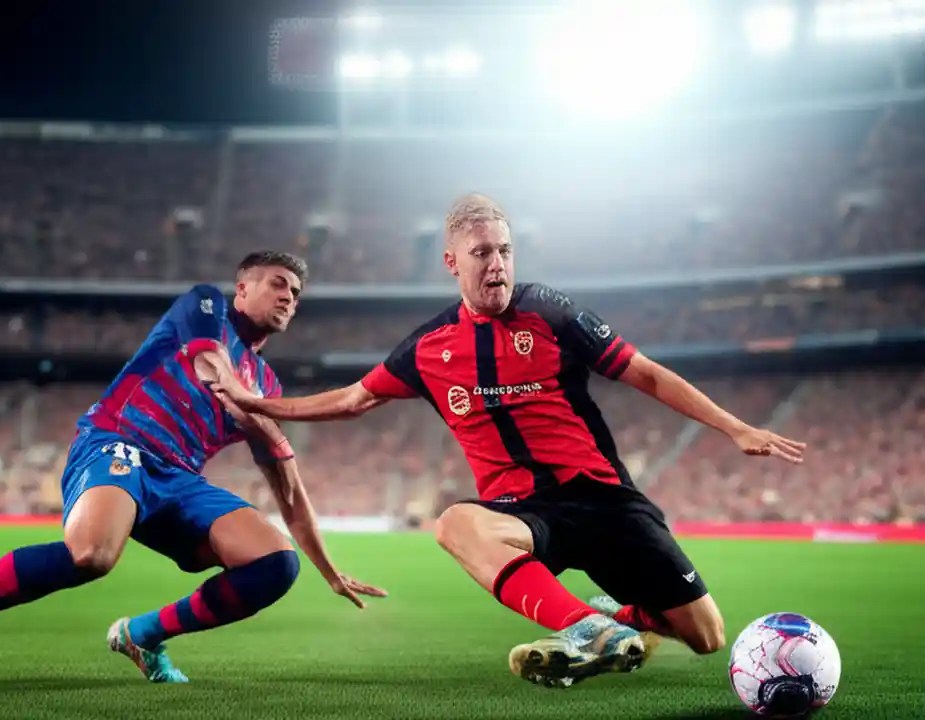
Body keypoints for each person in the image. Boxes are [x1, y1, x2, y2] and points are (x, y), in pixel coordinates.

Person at [207, 196, 805, 689]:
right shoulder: (428, 347)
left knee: (706, 636)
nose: (496, 264)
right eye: (481, 253)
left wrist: (735, 427)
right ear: (452, 262)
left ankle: (613, 617)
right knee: (453, 524)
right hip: (523, 513)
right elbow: (350, 399)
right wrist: (254, 402)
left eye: (504, 251)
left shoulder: (550, 311)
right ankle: (582, 626)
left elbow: (645, 372)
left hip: (604, 500)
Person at [0, 251, 384, 693]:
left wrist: (329, 570)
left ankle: (142, 636)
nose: (288, 296)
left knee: (275, 564)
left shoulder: (267, 383)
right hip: (118, 442)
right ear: (243, 288)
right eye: (277, 283)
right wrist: (249, 405)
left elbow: (288, 487)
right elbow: (207, 362)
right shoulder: (206, 305)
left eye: (295, 293)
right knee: (91, 556)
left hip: (179, 479)